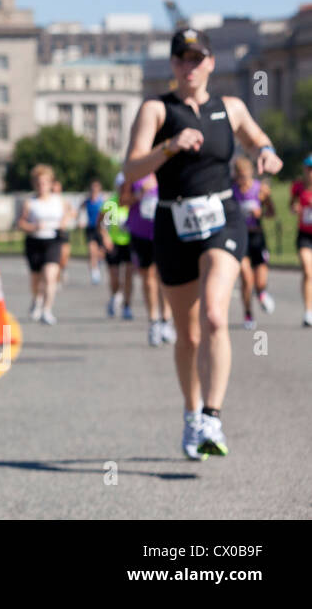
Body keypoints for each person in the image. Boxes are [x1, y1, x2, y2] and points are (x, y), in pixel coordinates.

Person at [123, 27, 282, 459]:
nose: (189, 66)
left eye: (197, 58)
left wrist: (266, 152)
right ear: (173, 65)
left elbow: (257, 139)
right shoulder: (156, 110)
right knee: (188, 336)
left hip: (222, 219)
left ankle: (213, 415)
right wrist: (170, 148)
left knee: (215, 315)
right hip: (173, 223)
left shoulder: (230, 107)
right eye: (181, 59)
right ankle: (192, 413)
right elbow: (132, 170)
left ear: (211, 62)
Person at [127, 172, 175, 346]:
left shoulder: (168, 170)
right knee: (148, 279)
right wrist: (140, 194)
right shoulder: (135, 173)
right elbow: (122, 200)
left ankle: (166, 320)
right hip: (141, 233)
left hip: (165, 232)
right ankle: (153, 320)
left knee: (165, 278)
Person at [18, 164, 70, 324]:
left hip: (53, 240)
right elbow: (20, 223)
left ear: (50, 183)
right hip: (34, 241)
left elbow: (70, 212)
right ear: (35, 184)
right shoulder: (30, 202)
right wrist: (33, 227)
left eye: (45, 182)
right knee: (36, 278)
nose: (42, 186)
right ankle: (36, 300)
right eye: (39, 183)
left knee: (50, 275)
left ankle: (47, 310)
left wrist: (64, 221)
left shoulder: (59, 200)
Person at [231, 156, 274, 330]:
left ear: (251, 173)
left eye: (246, 175)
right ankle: (248, 313)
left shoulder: (259, 189)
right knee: (246, 278)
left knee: (260, 281)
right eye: (240, 175)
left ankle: (262, 293)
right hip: (241, 238)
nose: (243, 179)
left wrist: (263, 207)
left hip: (257, 237)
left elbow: (271, 213)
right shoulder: (232, 191)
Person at [101, 173, 135, 320]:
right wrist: (105, 237)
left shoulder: (134, 203)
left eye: (126, 186)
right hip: (113, 243)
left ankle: (127, 306)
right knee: (115, 276)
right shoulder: (111, 203)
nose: (123, 189)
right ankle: (115, 297)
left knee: (128, 276)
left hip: (130, 243)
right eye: (121, 186)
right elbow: (101, 224)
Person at [289, 156, 312, 327]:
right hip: (304, 235)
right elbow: (292, 205)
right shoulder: (298, 187)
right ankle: (308, 311)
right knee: (307, 270)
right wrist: (295, 207)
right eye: (309, 169)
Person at [81, 180, 105, 285]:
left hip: (101, 229)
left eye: (96, 188)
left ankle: (98, 262)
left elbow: (108, 214)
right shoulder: (87, 201)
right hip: (90, 228)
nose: (94, 190)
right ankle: (94, 272)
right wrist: (80, 221)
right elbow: (80, 211)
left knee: (101, 253)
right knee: (92, 251)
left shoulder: (102, 201)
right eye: (92, 188)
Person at [52, 178, 72, 285]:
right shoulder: (48, 201)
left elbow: (72, 212)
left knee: (64, 256)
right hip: (53, 232)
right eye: (53, 186)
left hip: (63, 231)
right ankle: (56, 278)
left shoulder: (63, 201)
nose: (55, 189)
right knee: (56, 256)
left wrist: (66, 218)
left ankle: (63, 269)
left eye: (57, 186)